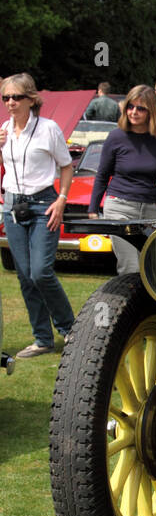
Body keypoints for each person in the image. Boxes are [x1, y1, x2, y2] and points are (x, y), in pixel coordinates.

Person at [0, 73, 75, 358]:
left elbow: (66, 166)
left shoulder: (48, 128)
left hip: (44, 203)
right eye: (5, 97)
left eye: (16, 97)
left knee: (40, 272)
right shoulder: (5, 130)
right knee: (24, 276)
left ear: (31, 99)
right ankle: (42, 338)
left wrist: (61, 200)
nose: (10, 102)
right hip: (12, 205)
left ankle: (69, 329)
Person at [88, 85, 156, 274]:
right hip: (120, 207)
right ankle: (125, 303)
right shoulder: (116, 136)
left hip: (150, 210)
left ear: (151, 110)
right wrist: (93, 209)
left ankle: (145, 304)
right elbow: (102, 174)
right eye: (130, 106)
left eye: (140, 108)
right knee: (131, 268)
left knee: (152, 268)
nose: (134, 112)